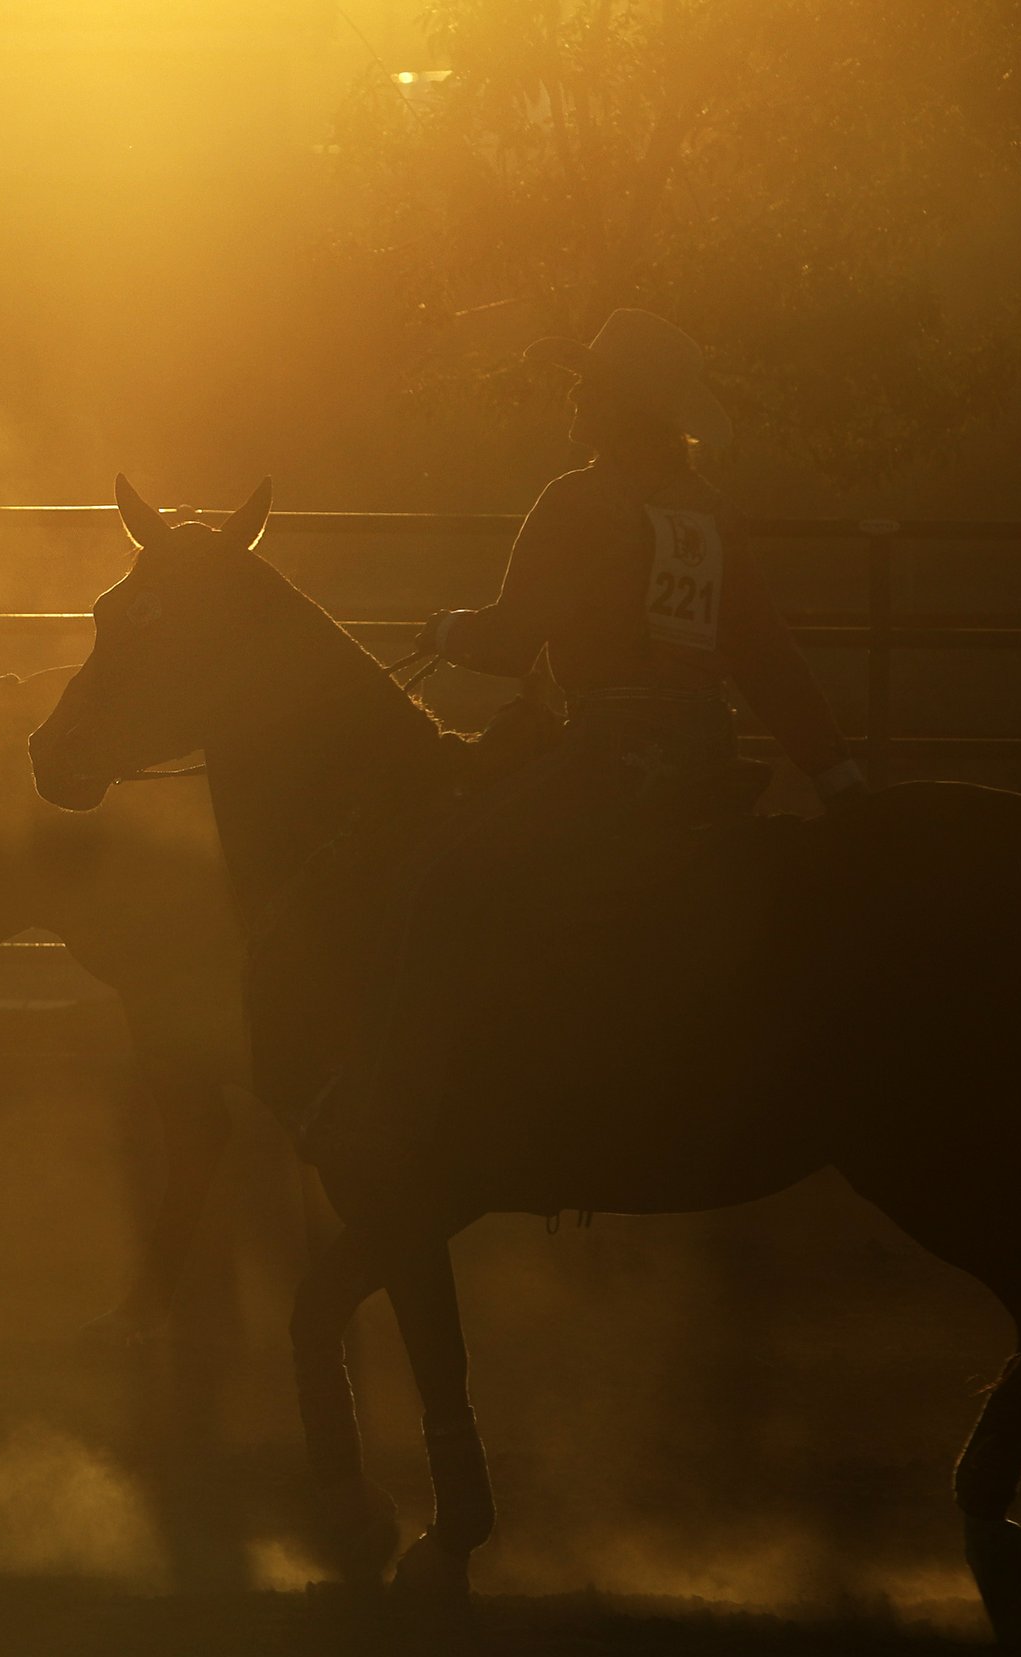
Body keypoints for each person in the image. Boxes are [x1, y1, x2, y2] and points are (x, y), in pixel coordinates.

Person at [310, 308, 865, 1179]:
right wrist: (836, 773)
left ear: (618, 407)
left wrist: (444, 627)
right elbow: (764, 652)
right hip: (700, 753)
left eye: (588, 389)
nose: (574, 402)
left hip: (609, 753)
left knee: (443, 875)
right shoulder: (710, 514)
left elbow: (508, 643)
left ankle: (396, 1110)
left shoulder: (577, 501)